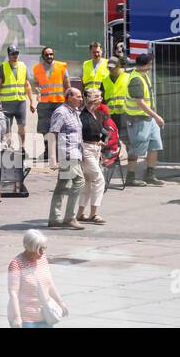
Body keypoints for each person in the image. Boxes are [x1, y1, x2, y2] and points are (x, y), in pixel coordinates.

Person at [7, 229, 68, 328]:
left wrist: (60, 302)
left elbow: (49, 283)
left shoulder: (42, 258)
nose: (43, 252)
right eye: (40, 249)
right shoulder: (16, 264)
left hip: (45, 315)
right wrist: (17, 316)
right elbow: (13, 293)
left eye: (44, 248)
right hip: (26, 319)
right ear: (30, 248)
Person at [123, 53, 165, 187]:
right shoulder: (136, 79)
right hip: (138, 119)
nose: (152, 65)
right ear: (147, 64)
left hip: (148, 118)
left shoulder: (143, 75)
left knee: (154, 145)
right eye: (151, 63)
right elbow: (140, 102)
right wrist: (156, 116)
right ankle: (130, 177)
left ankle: (150, 175)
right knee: (136, 148)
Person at [47, 87, 87, 230]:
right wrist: (52, 158)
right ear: (69, 97)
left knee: (62, 187)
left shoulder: (74, 112)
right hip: (68, 154)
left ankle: (54, 218)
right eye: (78, 96)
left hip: (74, 154)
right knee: (79, 181)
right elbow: (52, 134)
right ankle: (70, 217)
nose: (81, 99)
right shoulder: (61, 112)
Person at [75, 87, 110, 225]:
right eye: (98, 97)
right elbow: (78, 135)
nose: (100, 99)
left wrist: (103, 141)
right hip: (86, 149)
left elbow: (105, 132)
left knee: (89, 183)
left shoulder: (96, 114)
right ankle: (94, 214)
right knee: (99, 179)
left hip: (95, 148)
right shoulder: (82, 115)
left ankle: (80, 214)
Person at [31, 46, 70, 163]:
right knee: (44, 129)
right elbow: (34, 83)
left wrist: (69, 100)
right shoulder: (37, 68)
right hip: (44, 103)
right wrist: (36, 91)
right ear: (43, 56)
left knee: (59, 128)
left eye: (51, 54)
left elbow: (67, 84)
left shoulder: (61, 66)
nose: (49, 56)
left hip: (59, 102)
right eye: (47, 54)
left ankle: (58, 152)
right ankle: (47, 151)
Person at [0, 45, 34, 154]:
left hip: (20, 102)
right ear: (8, 55)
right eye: (12, 54)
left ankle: (22, 147)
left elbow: (27, 85)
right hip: (7, 103)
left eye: (16, 53)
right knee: (7, 127)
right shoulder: (2, 67)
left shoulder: (23, 66)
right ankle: (8, 146)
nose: (15, 56)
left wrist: (31, 101)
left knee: (22, 126)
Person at [101, 56, 132, 147]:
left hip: (125, 114)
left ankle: (130, 159)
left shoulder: (128, 78)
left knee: (127, 139)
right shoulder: (105, 81)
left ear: (118, 66)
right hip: (110, 115)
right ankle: (115, 160)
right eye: (109, 67)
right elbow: (102, 100)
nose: (110, 69)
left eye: (112, 67)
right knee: (112, 138)